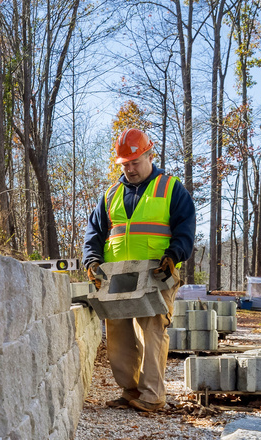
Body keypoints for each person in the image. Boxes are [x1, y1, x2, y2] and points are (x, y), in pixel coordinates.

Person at [82, 128, 196, 412]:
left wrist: (174, 255)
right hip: (116, 273)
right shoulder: (111, 194)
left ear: (149, 156)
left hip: (157, 271)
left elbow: (185, 229)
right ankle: (129, 390)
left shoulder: (170, 188)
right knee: (118, 333)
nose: (130, 169)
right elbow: (94, 233)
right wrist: (92, 260)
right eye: (125, 164)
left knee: (152, 330)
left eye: (135, 162)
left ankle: (152, 395)